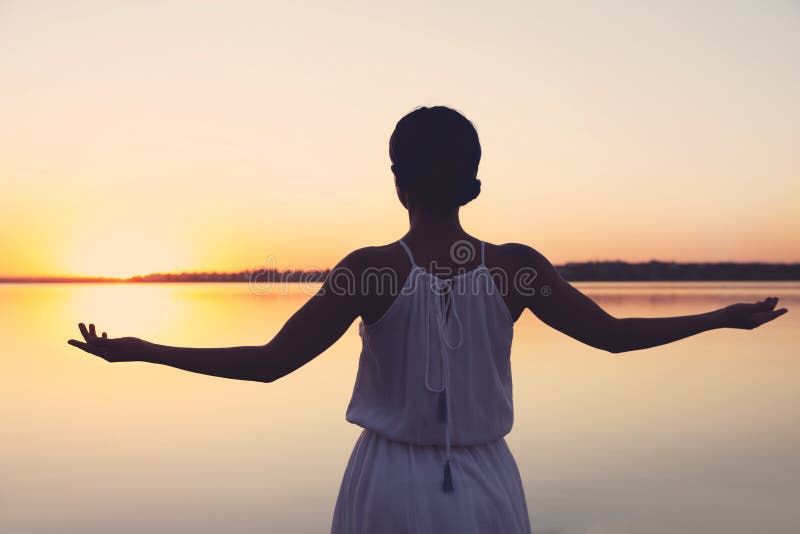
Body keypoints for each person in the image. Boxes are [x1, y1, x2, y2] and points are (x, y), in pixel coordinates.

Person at [68, 105, 788, 534]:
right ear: (472, 177)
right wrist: (722, 316)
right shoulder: (517, 267)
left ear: (398, 177)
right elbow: (616, 338)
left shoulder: (367, 268)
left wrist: (143, 350)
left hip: (387, 483)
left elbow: (267, 364)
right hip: (488, 483)